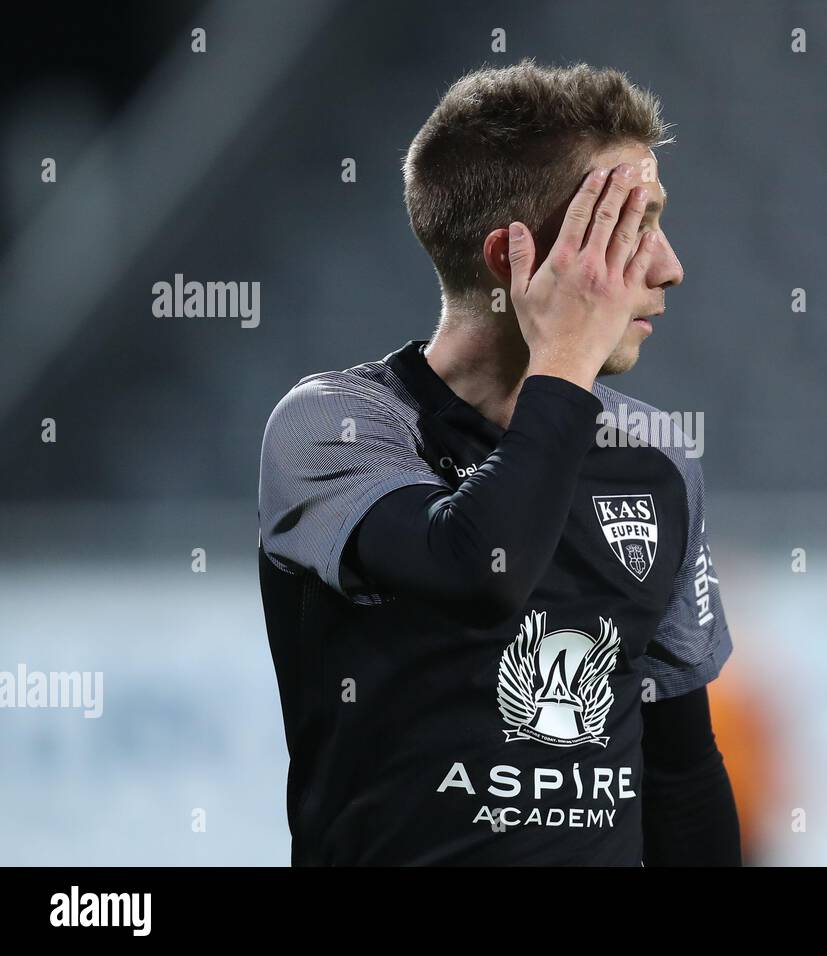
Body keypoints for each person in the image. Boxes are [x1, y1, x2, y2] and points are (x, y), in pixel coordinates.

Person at [257, 60, 740, 866]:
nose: (668, 267)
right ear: (511, 261)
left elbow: (682, 770)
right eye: (630, 227)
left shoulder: (655, 458)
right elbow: (482, 567)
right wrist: (565, 360)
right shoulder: (336, 427)